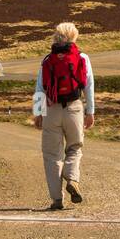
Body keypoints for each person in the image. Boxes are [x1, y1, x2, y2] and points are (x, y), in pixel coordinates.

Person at [33, 22, 95, 210]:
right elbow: (89, 85)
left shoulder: (47, 60)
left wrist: (38, 114)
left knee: (52, 155)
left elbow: (39, 88)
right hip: (74, 108)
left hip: (52, 110)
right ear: (74, 37)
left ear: (56, 37)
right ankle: (72, 179)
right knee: (75, 147)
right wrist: (90, 111)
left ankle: (56, 200)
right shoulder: (82, 57)